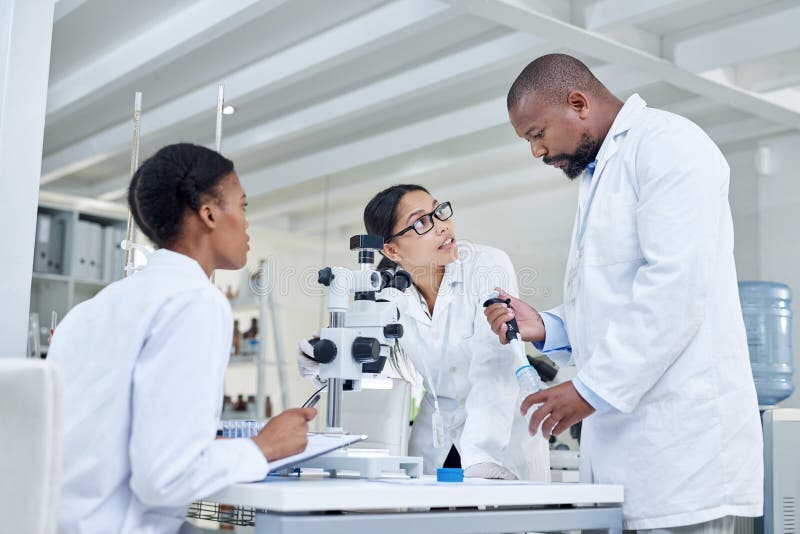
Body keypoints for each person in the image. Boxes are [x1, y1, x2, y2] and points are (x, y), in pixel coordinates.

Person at [484, 54, 763, 532]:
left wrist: (590, 390)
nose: (536, 151)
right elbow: (612, 301)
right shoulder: (598, 174)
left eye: (537, 134)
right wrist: (547, 326)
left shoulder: (670, 146)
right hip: (625, 461)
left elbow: (675, 289)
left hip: (683, 462)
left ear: (577, 103)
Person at [48, 143, 317, 534]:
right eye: (242, 206)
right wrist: (264, 448)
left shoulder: (92, 309)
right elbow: (164, 479)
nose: (246, 223)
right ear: (208, 213)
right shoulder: (194, 302)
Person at [298, 185, 550, 481]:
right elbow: (368, 358)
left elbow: (493, 368)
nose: (442, 226)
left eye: (438, 211)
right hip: (438, 432)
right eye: (420, 222)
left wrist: (482, 455)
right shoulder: (388, 292)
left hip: (502, 431)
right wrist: (323, 357)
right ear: (391, 250)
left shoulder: (486, 265)